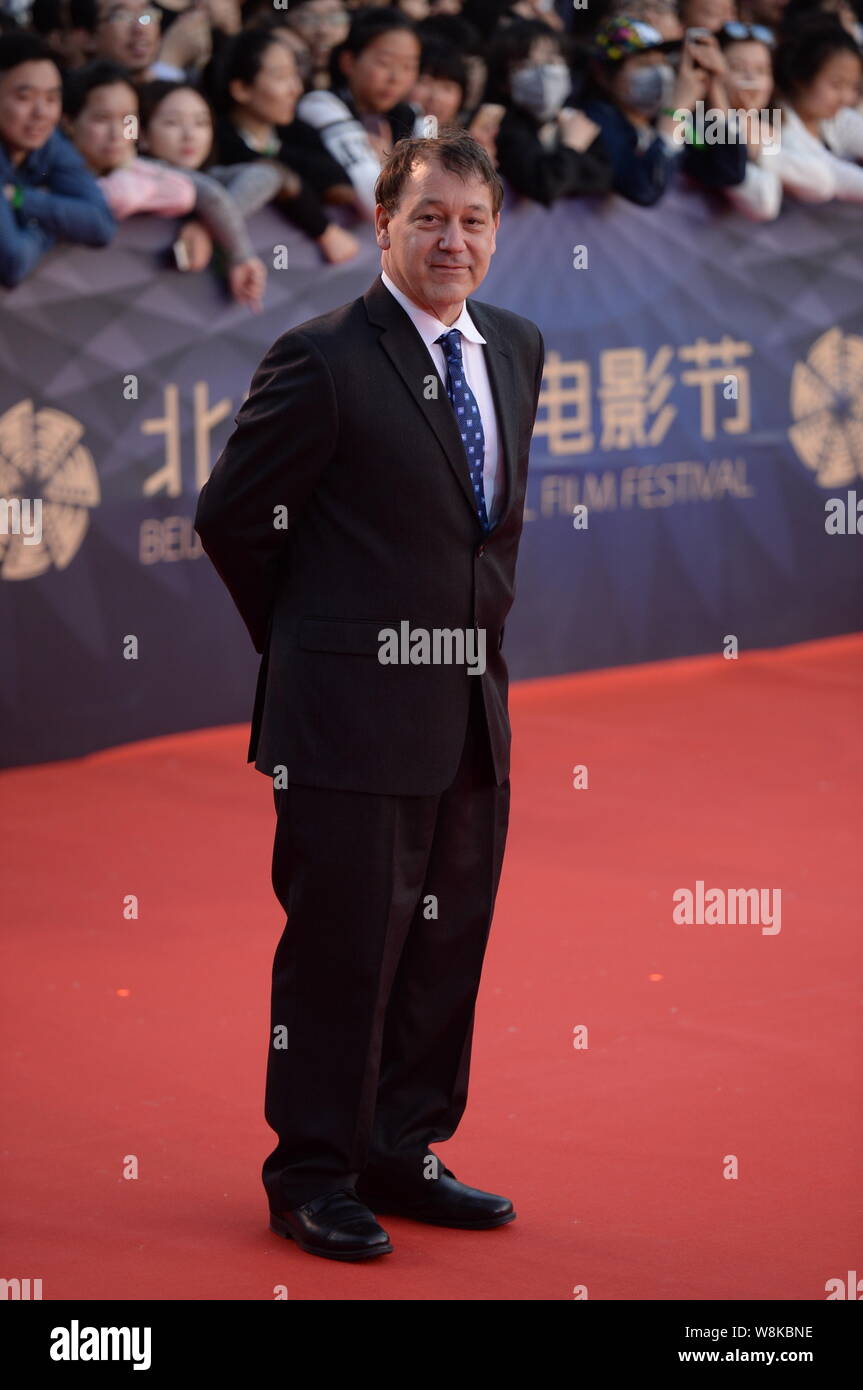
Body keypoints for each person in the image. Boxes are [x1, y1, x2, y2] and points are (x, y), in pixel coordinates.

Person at [193, 128, 545, 1262]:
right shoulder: (325, 357)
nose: (452, 239)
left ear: (496, 233)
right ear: (384, 225)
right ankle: (311, 1170)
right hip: (346, 718)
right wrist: (318, 652)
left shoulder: (515, 350)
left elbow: (483, 533)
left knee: (447, 941)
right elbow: (233, 519)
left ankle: (401, 1144)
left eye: (472, 221)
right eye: (428, 217)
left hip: (468, 713)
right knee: (344, 947)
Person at [0, 31, 116, 288]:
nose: (41, 112)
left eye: (51, 98)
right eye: (24, 97)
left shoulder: (50, 144)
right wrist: (53, 226)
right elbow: (12, 261)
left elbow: (101, 225)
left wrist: (19, 199)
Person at [297, 6, 422, 218]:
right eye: (385, 63)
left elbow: (440, 191)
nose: (396, 77)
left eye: (408, 66)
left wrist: (388, 165)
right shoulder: (320, 105)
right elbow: (373, 199)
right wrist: (399, 166)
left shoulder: (411, 114)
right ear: (349, 62)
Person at [484, 19, 613, 206]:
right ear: (504, 82)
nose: (543, 74)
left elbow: (602, 178)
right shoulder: (505, 128)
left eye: (552, 61)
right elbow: (545, 185)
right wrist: (572, 146)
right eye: (526, 65)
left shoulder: (576, 118)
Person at [771, 16, 863, 201]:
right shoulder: (776, 124)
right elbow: (837, 177)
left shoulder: (834, 119)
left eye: (854, 87)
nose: (847, 98)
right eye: (836, 85)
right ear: (800, 78)